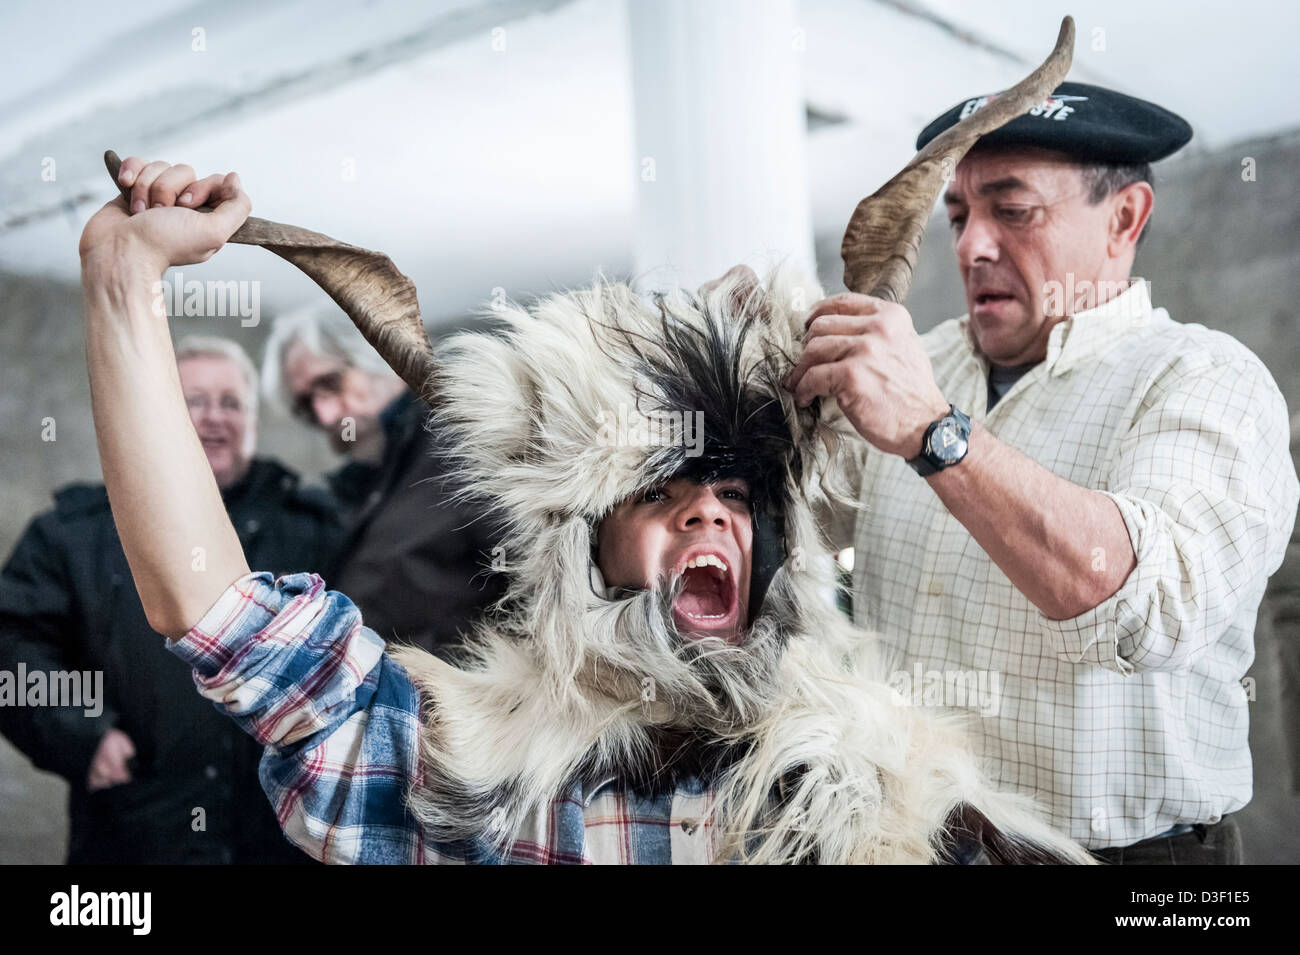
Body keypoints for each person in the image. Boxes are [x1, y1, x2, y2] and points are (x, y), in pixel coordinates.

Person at [71, 154, 1101, 865]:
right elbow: (215, 612)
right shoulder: (474, 779)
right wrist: (124, 280)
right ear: (583, 545)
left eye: (735, 496)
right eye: (657, 492)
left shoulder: (877, 789)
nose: (709, 518)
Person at [791, 82, 1300, 864]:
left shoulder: (1206, 378)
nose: (970, 246)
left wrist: (938, 435)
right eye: (959, 216)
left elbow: (1148, 606)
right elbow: (788, 522)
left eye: (1013, 210)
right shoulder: (916, 368)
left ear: (1124, 218)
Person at [0, 335, 342, 864]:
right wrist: (81, 732)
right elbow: (11, 646)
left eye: (232, 403)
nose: (214, 417)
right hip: (136, 841)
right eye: (194, 401)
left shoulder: (316, 529)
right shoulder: (73, 534)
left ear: (252, 420)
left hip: (282, 845)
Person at [259, 307, 504, 655]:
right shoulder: (356, 488)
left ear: (379, 355)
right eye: (306, 404)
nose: (325, 415)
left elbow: (541, 596)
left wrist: (421, 676)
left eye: (329, 384)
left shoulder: (468, 448)